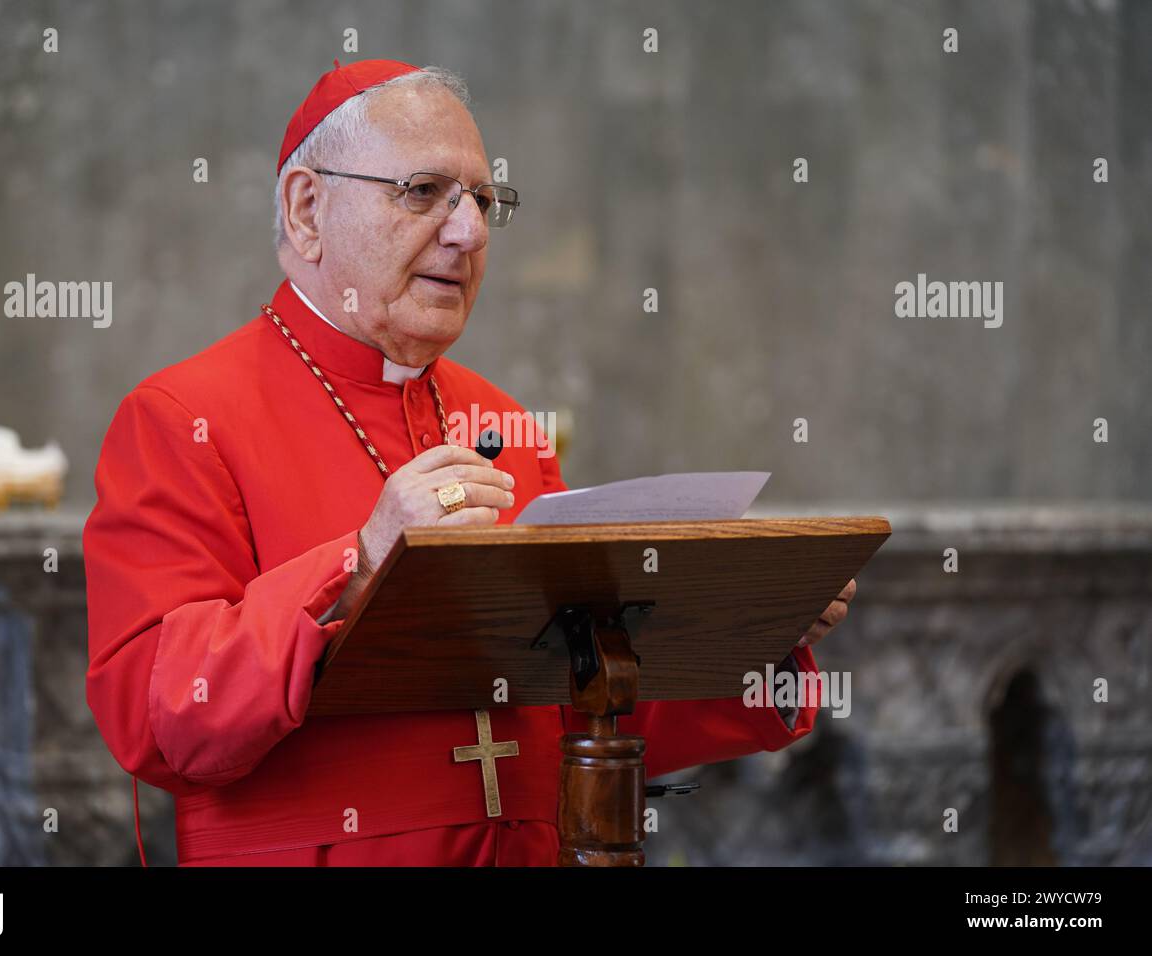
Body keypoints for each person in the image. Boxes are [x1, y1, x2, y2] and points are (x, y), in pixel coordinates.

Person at [83, 59, 857, 866]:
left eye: (483, 201)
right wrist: (358, 561)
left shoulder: (506, 424)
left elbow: (594, 701)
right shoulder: (182, 419)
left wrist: (756, 633)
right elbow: (152, 716)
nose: (470, 233)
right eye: (423, 193)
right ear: (307, 208)